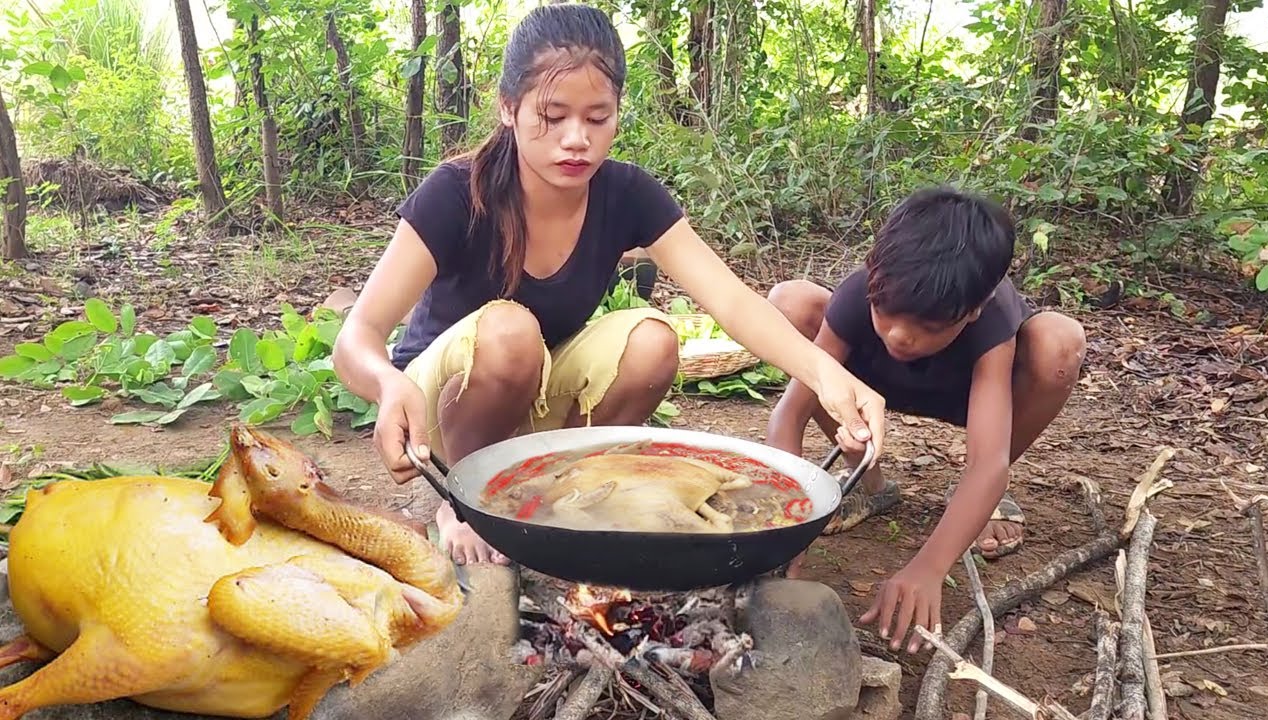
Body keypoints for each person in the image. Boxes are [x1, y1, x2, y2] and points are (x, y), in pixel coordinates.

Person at [332, 4, 886, 568]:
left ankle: (556, 499)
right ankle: (464, 502)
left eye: (597, 118)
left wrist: (830, 377)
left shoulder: (627, 194)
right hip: (439, 410)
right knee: (509, 329)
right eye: (552, 116)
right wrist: (385, 384)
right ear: (508, 108)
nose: (576, 140)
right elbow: (359, 333)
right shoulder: (456, 193)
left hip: (537, 402)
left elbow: (731, 300)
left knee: (652, 339)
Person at [764, 186, 1086, 653]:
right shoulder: (863, 292)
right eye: (884, 313)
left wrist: (930, 567)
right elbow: (787, 416)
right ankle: (870, 482)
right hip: (869, 385)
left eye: (930, 327)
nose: (900, 336)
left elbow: (987, 461)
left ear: (972, 311)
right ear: (875, 273)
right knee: (791, 301)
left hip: (971, 398)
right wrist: (786, 524)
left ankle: (983, 502)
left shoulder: (990, 319)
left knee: (1059, 341)